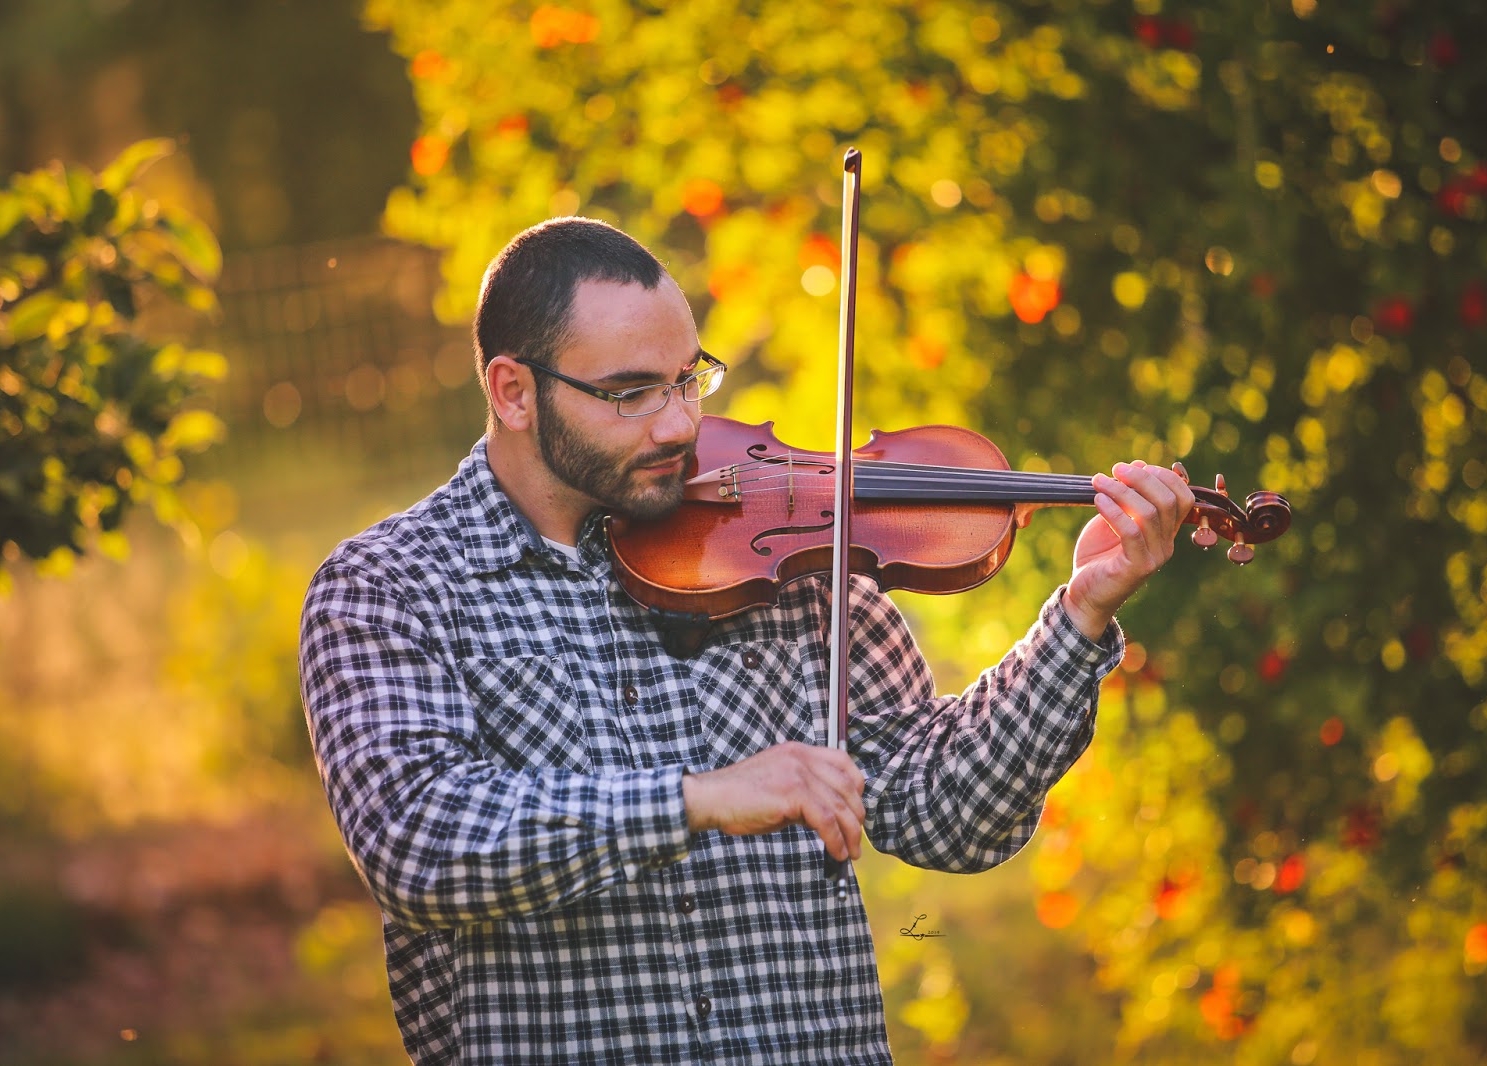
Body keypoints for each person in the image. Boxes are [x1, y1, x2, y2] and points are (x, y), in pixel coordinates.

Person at [299, 216, 1196, 1065]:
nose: (679, 424)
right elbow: (417, 841)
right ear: (512, 390)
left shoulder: (785, 553)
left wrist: (1080, 616)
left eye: (690, 377)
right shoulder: (392, 586)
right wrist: (696, 798)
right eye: (631, 393)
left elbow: (947, 813)